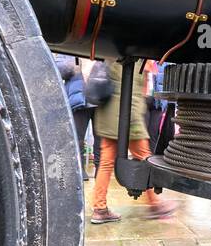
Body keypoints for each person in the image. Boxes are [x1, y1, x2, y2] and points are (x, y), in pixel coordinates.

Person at [90, 59, 176, 223]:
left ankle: (99, 208)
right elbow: (137, 90)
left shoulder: (113, 52)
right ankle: (155, 205)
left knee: (106, 162)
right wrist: (138, 115)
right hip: (128, 115)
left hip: (108, 112)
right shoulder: (138, 57)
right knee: (145, 157)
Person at [56, 54, 92, 179]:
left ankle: (102, 175)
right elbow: (57, 69)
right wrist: (72, 66)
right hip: (77, 100)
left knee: (102, 143)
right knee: (77, 139)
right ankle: (79, 171)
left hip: (100, 98)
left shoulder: (100, 43)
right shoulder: (71, 47)